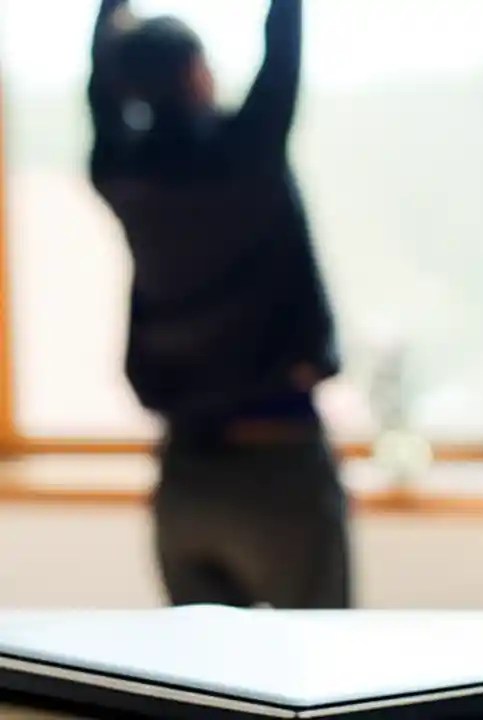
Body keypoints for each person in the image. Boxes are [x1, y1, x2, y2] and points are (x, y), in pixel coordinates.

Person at [88, 0, 351, 609]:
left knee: (200, 692)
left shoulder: (122, 172)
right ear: (197, 73)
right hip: (279, 462)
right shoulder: (249, 153)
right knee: (325, 681)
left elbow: (99, 87)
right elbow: (282, 51)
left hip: (185, 479)